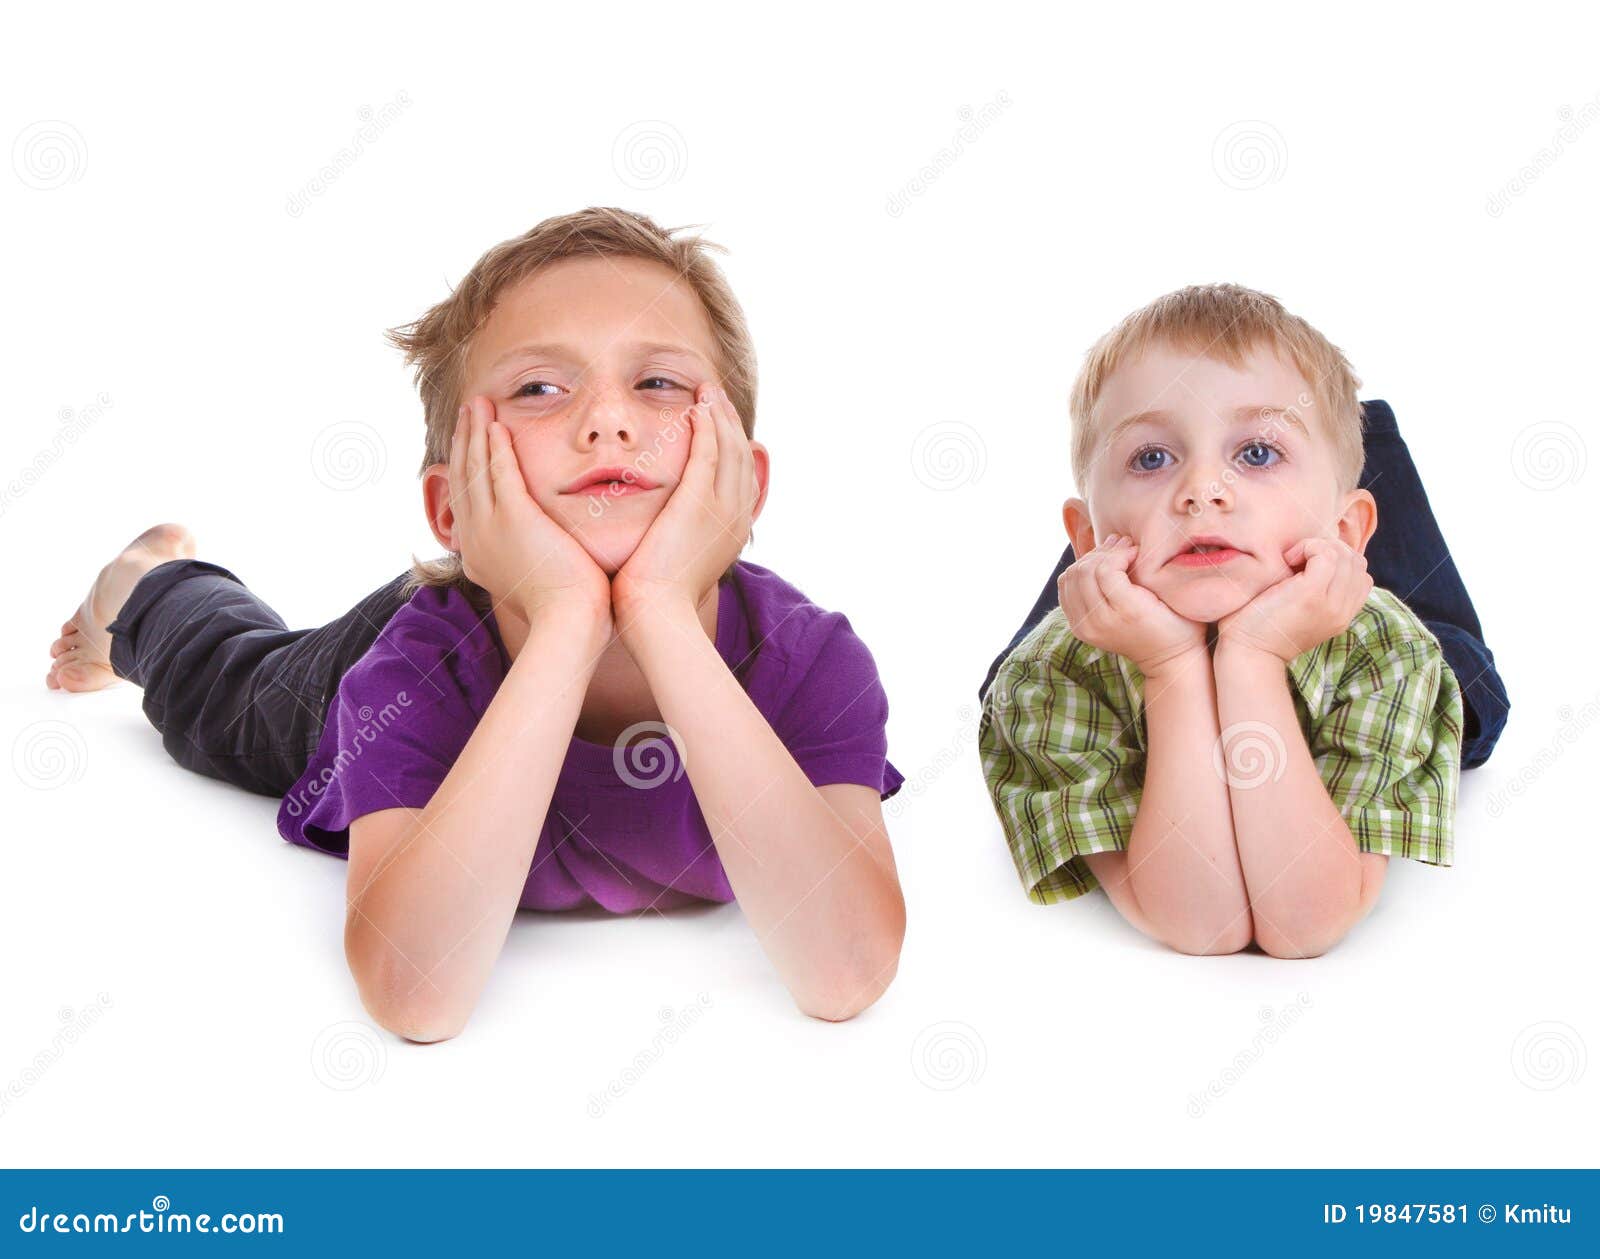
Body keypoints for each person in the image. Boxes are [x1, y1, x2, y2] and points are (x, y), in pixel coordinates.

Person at [45, 208, 908, 1040]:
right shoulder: (404, 679)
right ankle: (147, 583)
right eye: (539, 388)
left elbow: (845, 972)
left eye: (657, 382)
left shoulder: (810, 663)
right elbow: (416, 995)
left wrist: (656, 609)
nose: (608, 421)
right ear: (451, 504)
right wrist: (566, 614)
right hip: (432, 630)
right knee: (232, 693)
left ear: (746, 484)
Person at [977, 283, 1501, 958]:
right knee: (1052, 635)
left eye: (1255, 453)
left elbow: (1307, 923)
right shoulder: (1048, 680)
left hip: (1345, 603)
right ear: (1077, 541)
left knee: (1466, 676)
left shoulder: (1395, 654)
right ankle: (1197, 490)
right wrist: (1171, 664)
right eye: (1151, 457)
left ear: (1350, 532)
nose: (1203, 486)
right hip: (1141, 598)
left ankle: (1351, 446)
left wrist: (1253, 656)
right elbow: (1205, 923)